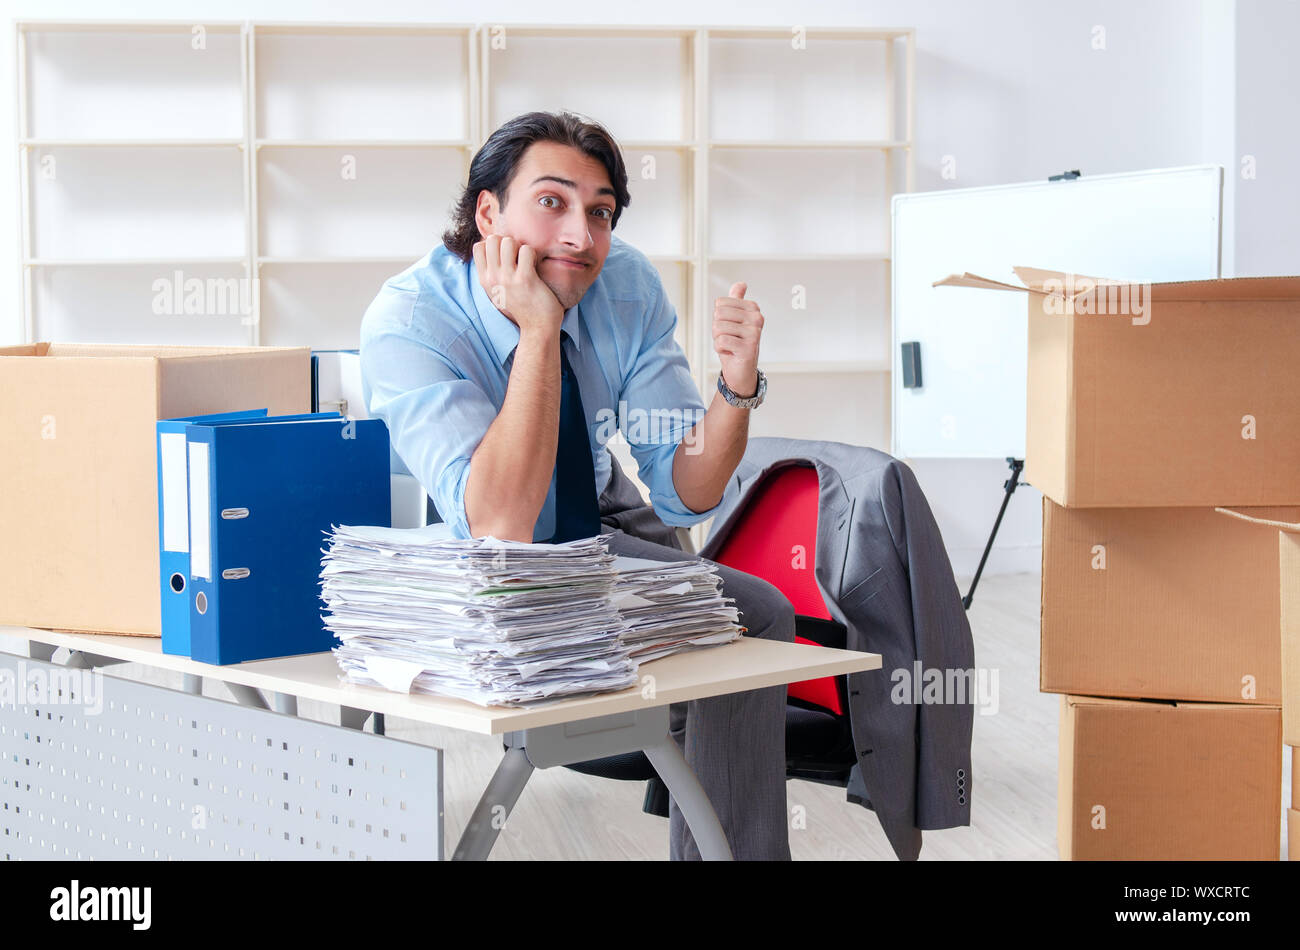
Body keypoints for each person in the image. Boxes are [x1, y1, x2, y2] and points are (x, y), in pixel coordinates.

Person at [360, 110, 794, 860]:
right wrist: (537, 330)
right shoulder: (410, 319)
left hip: (590, 531)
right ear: (489, 211)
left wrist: (735, 388)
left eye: (600, 212)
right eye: (552, 202)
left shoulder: (623, 283)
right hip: (466, 566)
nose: (580, 237)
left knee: (758, 612)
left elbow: (682, 488)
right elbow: (498, 526)